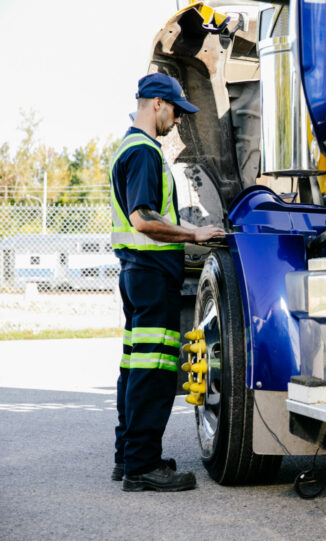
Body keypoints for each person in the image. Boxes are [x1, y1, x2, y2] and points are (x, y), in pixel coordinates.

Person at [109, 73, 225, 492]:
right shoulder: (143, 152)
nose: (177, 121)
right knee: (154, 373)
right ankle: (143, 467)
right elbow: (143, 219)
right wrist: (193, 234)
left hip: (136, 273)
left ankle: (129, 458)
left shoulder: (129, 146)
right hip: (151, 272)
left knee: (134, 368)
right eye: (176, 110)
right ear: (157, 103)